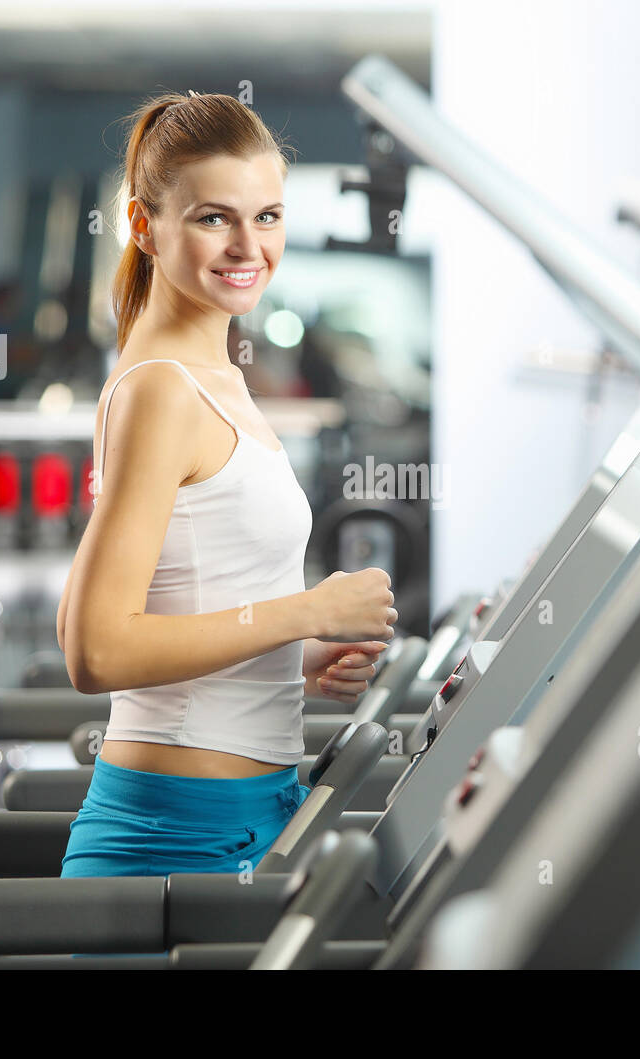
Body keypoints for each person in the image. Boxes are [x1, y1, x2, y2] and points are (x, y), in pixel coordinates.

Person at [57, 91, 397, 877]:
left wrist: (298, 653)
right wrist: (303, 610)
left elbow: (178, 594)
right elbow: (95, 647)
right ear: (145, 227)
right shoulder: (162, 387)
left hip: (254, 813)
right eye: (215, 218)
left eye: (268, 216)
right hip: (173, 838)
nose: (249, 245)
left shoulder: (211, 370)